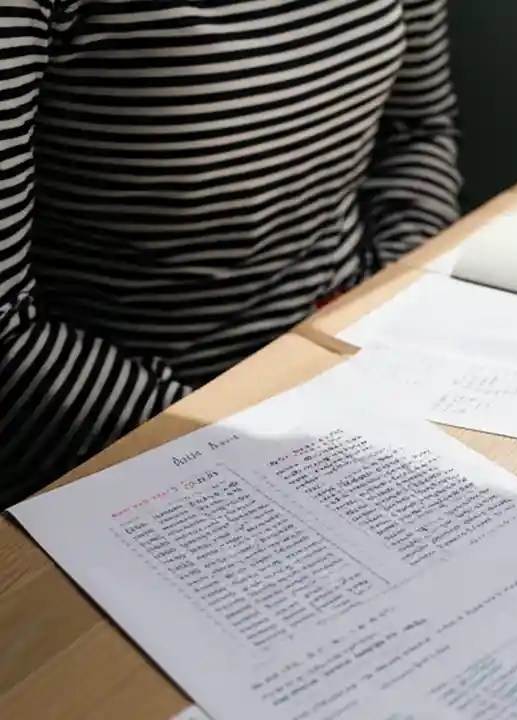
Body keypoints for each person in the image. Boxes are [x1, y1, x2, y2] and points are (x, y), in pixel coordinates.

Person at [0, 0, 461, 505]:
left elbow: (419, 131)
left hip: (366, 371)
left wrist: (388, 317)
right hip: (122, 432)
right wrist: (233, 449)